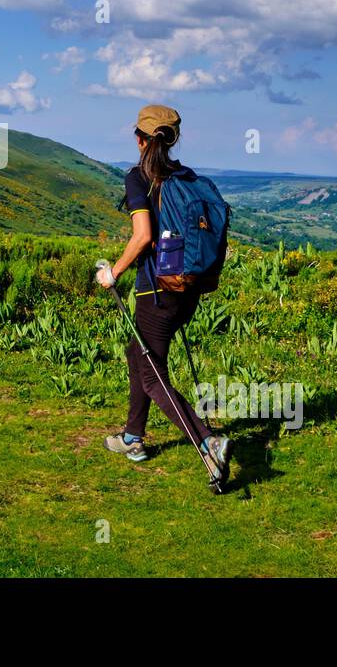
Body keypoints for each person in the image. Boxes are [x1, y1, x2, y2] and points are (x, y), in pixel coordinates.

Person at [95, 104, 233, 486]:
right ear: (172, 140)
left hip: (156, 292)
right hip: (187, 289)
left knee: (152, 376)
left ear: (140, 139)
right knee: (138, 354)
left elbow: (143, 237)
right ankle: (133, 437)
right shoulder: (185, 176)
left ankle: (208, 441)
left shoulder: (139, 177)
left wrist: (113, 273)